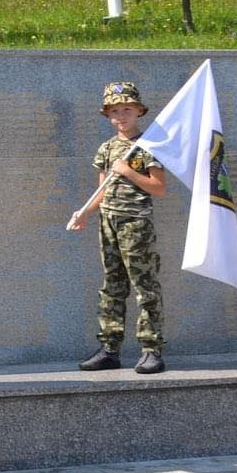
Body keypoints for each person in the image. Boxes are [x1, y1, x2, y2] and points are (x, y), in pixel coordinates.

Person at [67, 81, 167, 375]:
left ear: (139, 111)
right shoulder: (107, 148)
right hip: (108, 221)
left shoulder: (147, 147)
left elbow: (159, 188)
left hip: (135, 222)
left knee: (144, 286)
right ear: (108, 115)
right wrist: (85, 211)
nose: (121, 116)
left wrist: (127, 172)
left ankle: (151, 350)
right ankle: (110, 348)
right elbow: (103, 190)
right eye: (114, 111)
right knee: (112, 286)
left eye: (127, 109)